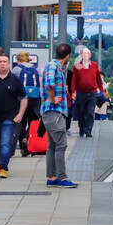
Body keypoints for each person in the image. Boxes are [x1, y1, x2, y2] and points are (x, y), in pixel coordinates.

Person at [42, 43, 78, 188]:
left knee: (52, 145)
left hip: (52, 113)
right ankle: (62, 178)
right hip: (54, 112)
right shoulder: (54, 66)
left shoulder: (54, 66)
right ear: (68, 56)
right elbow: (49, 84)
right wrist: (52, 98)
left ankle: (52, 177)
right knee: (61, 145)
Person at [12, 52, 43, 155]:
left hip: (21, 99)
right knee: (34, 122)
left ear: (18, 60)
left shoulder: (16, 69)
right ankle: (30, 143)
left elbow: (13, 84)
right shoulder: (37, 68)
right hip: (35, 98)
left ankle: (23, 146)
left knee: (21, 122)